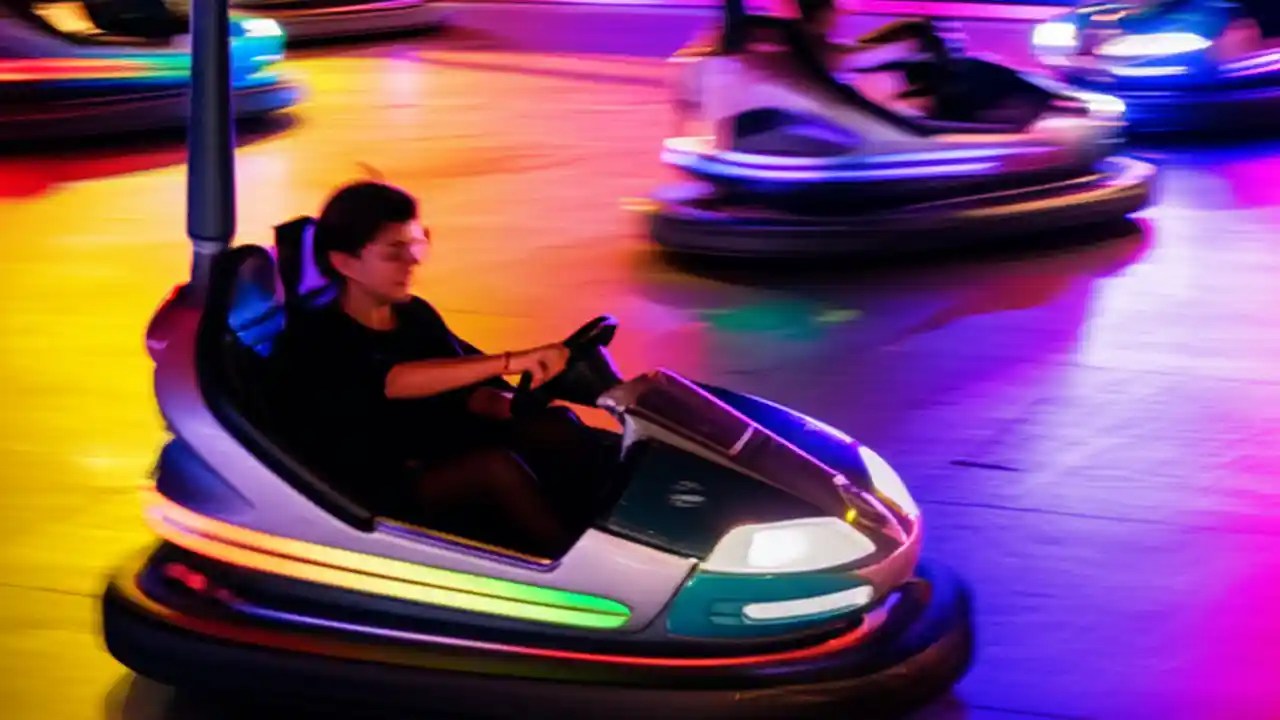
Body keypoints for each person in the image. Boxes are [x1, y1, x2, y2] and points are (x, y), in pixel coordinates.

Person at [275, 181, 608, 557]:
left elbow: (467, 391)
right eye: (394, 252)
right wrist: (512, 360)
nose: (413, 261)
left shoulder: (414, 314)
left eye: (416, 245)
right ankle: (575, 569)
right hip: (375, 480)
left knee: (557, 424)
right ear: (344, 262)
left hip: (436, 444)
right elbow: (393, 381)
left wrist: (517, 403)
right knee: (494, 469)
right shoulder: (317, 335)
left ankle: (621, 533)